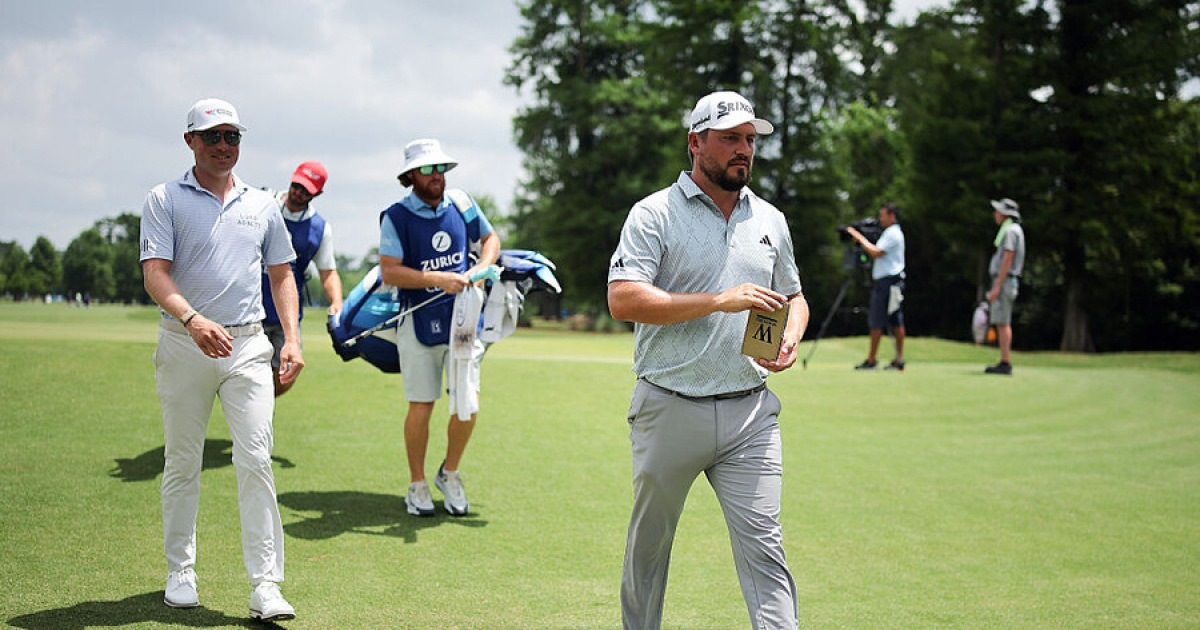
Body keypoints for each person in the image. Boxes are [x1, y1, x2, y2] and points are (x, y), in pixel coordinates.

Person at [608, 90, 809, 630]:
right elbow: (624, 297)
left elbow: (793, 295)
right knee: (648, 551)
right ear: (696, 142)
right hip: (669, 407)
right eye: (730, 139)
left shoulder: (770, 218)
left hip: (750, 414)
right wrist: (721, 300)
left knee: (766, 553)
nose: (744, 150)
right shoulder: (653, 214)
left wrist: (792, 331)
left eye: (750, 140)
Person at [139, 98, 300, 621]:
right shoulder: (164, 199)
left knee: (256, 459)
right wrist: (192, 319)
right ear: (190, 141)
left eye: (233, 137)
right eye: (213, 137)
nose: (225, 146)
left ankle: (265, 585)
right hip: (185, 342)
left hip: (250, 345)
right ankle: (180, 571)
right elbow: (156, 274)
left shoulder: (261, 204)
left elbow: (282, 276)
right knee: (183, 461)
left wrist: (292, 341)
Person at [378, 138, 500, 517]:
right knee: (422, 404)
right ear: (411, 174)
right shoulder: (395, 216)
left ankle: (449, 472)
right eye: (428, 169)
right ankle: (417, 484)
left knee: (468, 403)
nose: (436, 176)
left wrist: (479, 270)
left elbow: (490, 239)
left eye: (440, 168)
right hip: (417, 321)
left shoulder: (462, 204)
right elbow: (390, 270)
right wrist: (438, 277)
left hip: (464, 321)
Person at [262, 160, 343, 396]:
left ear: (317, 193)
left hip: (285, 312)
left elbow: (328, 272)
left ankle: (261, 407)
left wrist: (336, 302)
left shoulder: (320, 228)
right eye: (296, 185)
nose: (297, 192)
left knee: (285, 376)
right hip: (250, 308)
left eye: (305, 189)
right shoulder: (264, 203)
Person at [844, 203, 906, 371]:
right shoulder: (891, 233)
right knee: (894, 319)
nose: (880, 219)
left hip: (888, 282)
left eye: (883, 215)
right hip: (889, 282)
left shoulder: (892, 233)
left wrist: (859, 237)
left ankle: (873, 360)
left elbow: (876, 252)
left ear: (892, 216)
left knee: (880, 320)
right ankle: (897, 359)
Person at [985, 197, 1026, 375]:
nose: (995, 214)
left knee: (1003, 322)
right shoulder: (1013, 229)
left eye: (998, 211)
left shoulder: (1010, 231)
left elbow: (1007, 258)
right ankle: (1004, 360)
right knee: (1002, 322)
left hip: (1005, 281)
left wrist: (997, 286)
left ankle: (1005, 362)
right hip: (1007, 281)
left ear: (1006, 214)